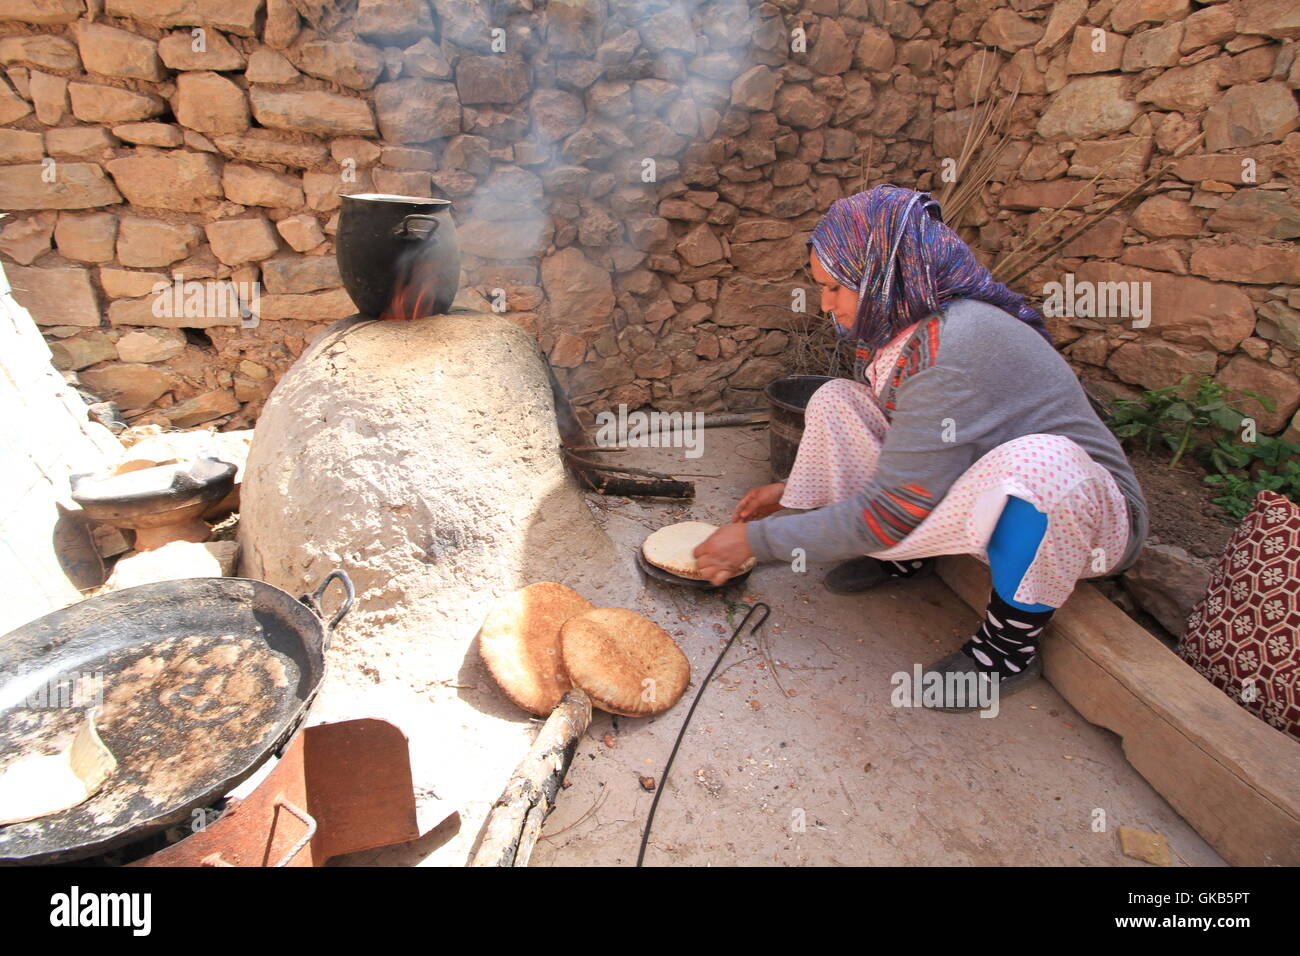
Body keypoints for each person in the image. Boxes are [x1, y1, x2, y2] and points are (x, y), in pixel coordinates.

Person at [693, 184, 1148, 711]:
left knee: (1039, 468)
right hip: (973, 476)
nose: (824, 304)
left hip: (1086, 516)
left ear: (885, 276)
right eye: (820, 286)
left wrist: (757, 540)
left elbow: (889, 511)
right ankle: (906, 562)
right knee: (839, 399)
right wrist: (789, 492)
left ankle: (1006, 654)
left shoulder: (954, 348)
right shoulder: (907, 324)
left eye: (837, 287)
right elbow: (913, 447)